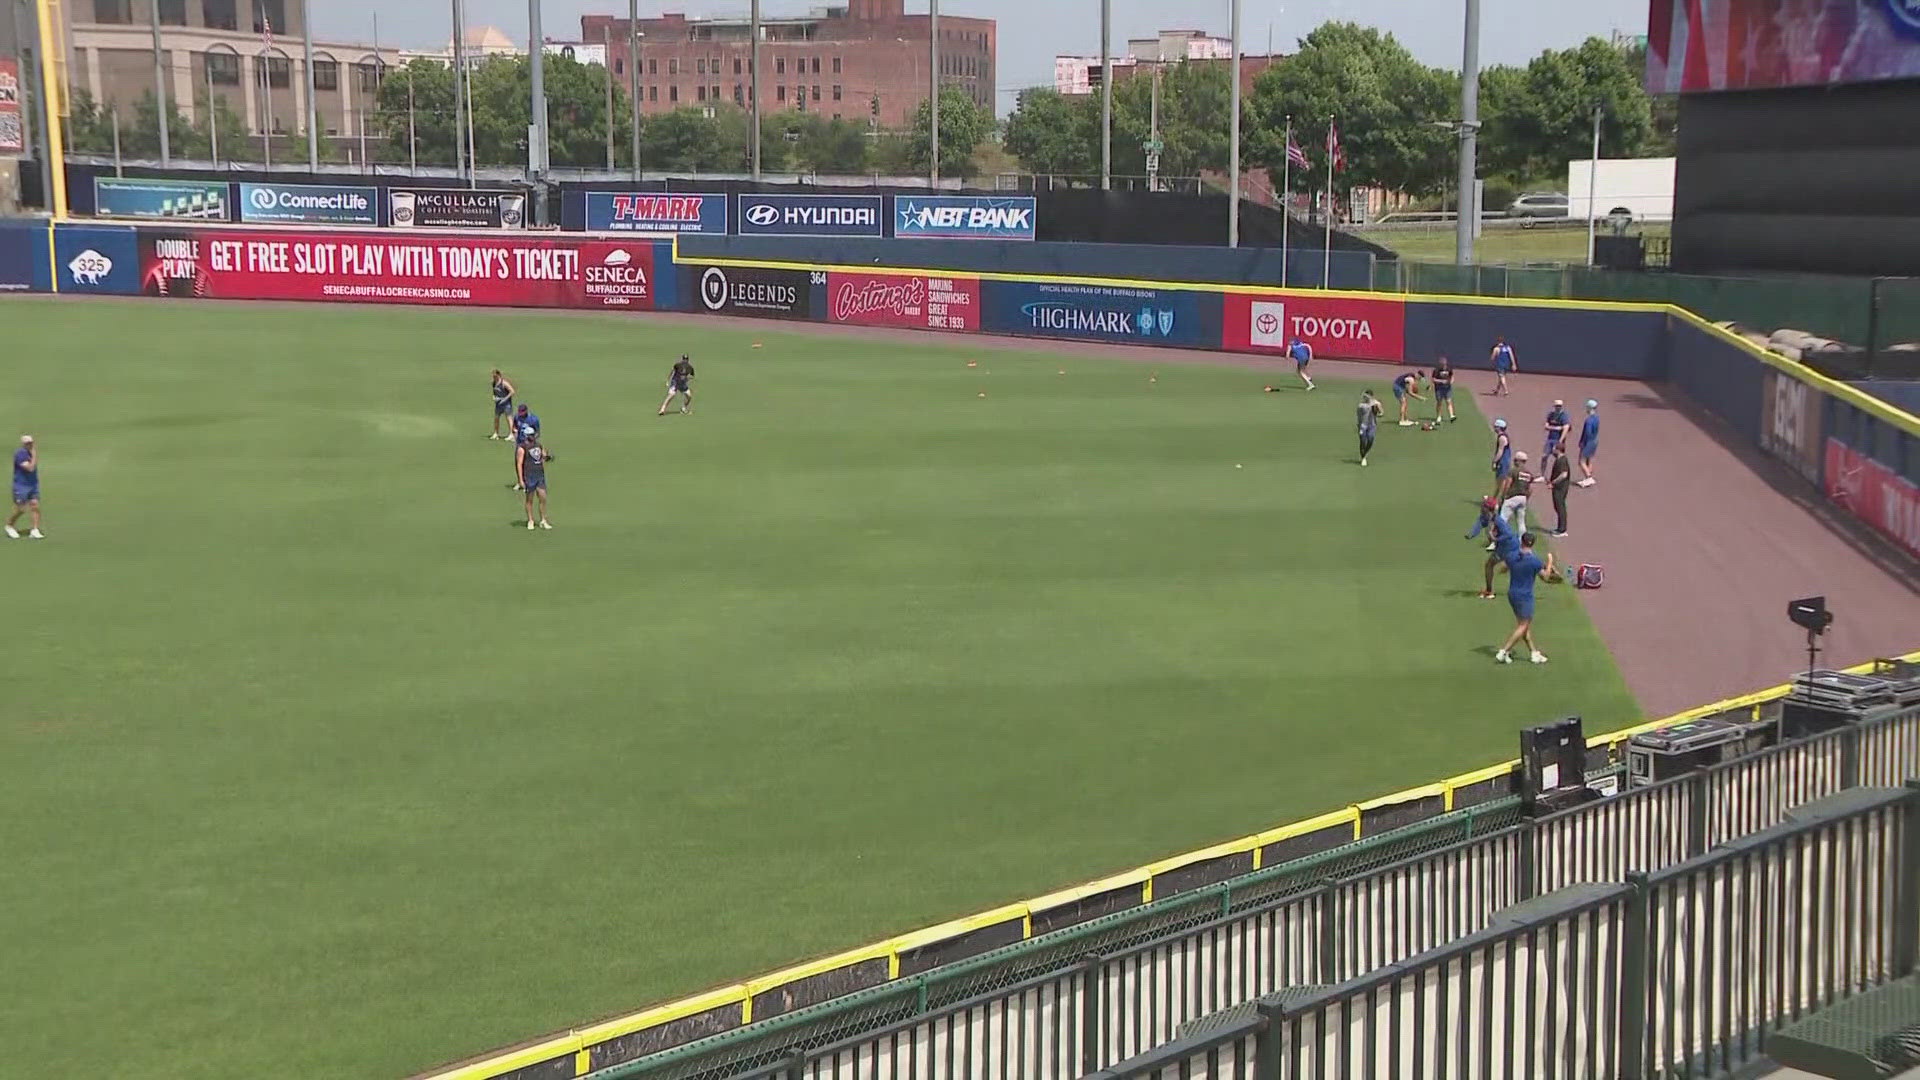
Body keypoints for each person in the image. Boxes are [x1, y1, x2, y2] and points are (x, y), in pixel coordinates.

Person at [1495, 533, 1555, 665]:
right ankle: (1504, 651)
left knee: (1523, 625)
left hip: (1512, 594)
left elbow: (1502, 569)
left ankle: (1534, 653)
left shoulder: (1512, 556)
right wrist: (1550, 562)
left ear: (1521, 541)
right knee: (1523, 625)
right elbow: (1545, 577)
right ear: (1532, 543)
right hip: (1525, 596)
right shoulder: (1535, 561)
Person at [1466, 495, 1521, 599]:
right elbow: (1479, 524)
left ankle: (1489, 591)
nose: (1481, 507)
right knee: (1494, 565)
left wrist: (1495, 539)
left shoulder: (1498, 521)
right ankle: (1546, 571)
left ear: (1488, 508)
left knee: (1491, 565)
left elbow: (1508, 534)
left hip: (1509, 546)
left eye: (1484, 506)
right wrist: (1471, 534)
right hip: (1503, 547)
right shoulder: (1486, 517)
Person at [7, 435, 42, 540]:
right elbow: (30, 468)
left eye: (31, 442)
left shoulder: (31, 453)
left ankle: (35, 530)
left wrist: (33, 454)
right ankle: (9, 525)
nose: (30, 445)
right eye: (27, 443)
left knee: (35, 506)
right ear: (23, 444)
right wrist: (34, 455)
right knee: (21, 509)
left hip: (32, 484)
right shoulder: (20, 454)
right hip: (21, 485)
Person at [516, 433, 552, 530]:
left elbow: (543, 456)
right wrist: (521, 479)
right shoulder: (522, 447)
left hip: (539, 475)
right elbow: (519, 464)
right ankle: (530, 520)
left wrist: (547, 457)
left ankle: (543, 520)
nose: (532, 436)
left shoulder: (538, 445)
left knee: (542, 498)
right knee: (529, 500)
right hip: (529, 475)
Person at [1500, 450, 1536, 535]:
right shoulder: (1529, 473)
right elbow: (1530, 489)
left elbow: (1508, 484)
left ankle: (1498, 541)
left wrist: (1503, 496)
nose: (1514, 461)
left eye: (1515, 460)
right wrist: (1526, 498)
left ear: (1518, 461)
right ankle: (1522, 542)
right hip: (1523, 498)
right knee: (1521, 522)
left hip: (1512, 497)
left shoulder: (1513, 471)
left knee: (1503, 519)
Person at [510, 403, 540, 490]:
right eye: (519, 412)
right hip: (520, 443)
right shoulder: (517, 417)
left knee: (529, 463)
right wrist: (514, 432)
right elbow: (514, 427)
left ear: (526, 411)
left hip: (529, 445)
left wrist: (532, 441)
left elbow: (537, 433)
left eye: (522, 412)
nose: (520, 414)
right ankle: (520, 481)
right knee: (518, 462)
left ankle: (529, 481)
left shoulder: (533, 419)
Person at [1548, 443, 1573, 537]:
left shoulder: (1562, 460)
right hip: (1558, 488)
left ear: (1558, 450)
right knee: (1558, 507)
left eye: (1554, 448)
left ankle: (1562, 530)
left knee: (1560, 507)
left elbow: (1564, 474)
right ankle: (1560, 528)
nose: (1553, 450)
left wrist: (1553, 482)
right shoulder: (1559, 460)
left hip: (1560, 488)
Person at [1489, 418, 1513, 503]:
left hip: (1503, 462)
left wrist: (1494, 461)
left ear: (1499, 427)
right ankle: (1494, 499)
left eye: (1495, 427)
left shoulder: (1502, 438)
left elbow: (1500, 451)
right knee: (1500, 482)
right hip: (1504, 461)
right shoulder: (1503, 436)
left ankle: (1500, 500)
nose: (1494, 428)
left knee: (1501, 482)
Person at [489, 369, 517, 440]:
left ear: (498, 375)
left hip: (506, 404)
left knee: (509, 418)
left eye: (495, 376)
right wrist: (494, 397)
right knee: (496, 418)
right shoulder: (494, 383)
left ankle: (511, 434)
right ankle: (496, 433)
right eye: (493, 376)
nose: (494, 378)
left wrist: (505, 399)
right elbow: (495, 391)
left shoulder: (504, 383)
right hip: (498, 404)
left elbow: (512, 391)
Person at [1356, 390, 1382, 467]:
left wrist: (1377, 410)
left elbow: (1381, 412)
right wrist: (1358, 424)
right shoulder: (1361, 405)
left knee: (1370, 440)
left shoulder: (1376, 403)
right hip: (1363, 425)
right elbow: (1359, 416)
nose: (1365, 398)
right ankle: (1363, 457)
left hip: (1372, 425)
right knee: (1362, 441)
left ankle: (1365, 453)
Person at [1578, 399, 1600, 487]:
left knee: (1581, 461)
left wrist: (1583, 442)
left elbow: (1587, 432)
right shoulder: (1596, 418)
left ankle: (1589, 477)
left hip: (1588, 442)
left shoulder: (1589, 420)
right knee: (1589, 460)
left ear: (1589, 408)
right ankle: (1587, 478)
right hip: (1594, 441)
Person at [1431, 356, 1457, 422]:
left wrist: (1451, 381)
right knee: (1439, 402)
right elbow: (1433, 379)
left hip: (1447, 388)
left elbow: (1452, 376)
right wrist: (1441, 381)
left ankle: (1451, 415)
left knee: (1448, 401)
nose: (1443, 365)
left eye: (1444, 364)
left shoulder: (1449, 369)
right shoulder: (1436, 370)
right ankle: (1439, 416)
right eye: (1442, 364)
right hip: (1439, 388)